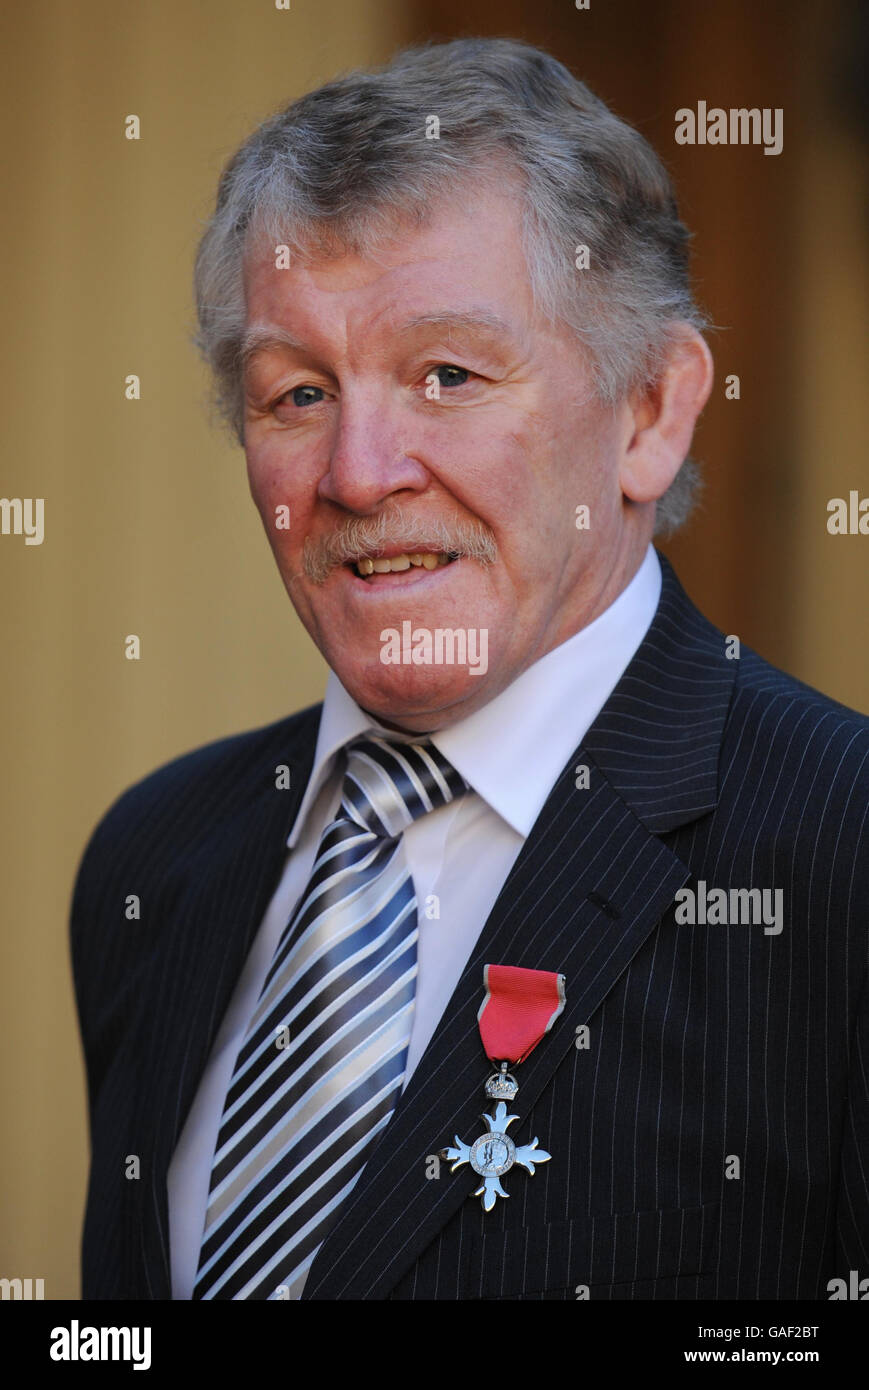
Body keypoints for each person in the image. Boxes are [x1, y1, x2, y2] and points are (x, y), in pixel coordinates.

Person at [71, 36, 869, 1301]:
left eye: (447, 375)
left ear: (650, 412)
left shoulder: (836, 851)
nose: (356, 473)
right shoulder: (155, 862)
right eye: (296, 395)